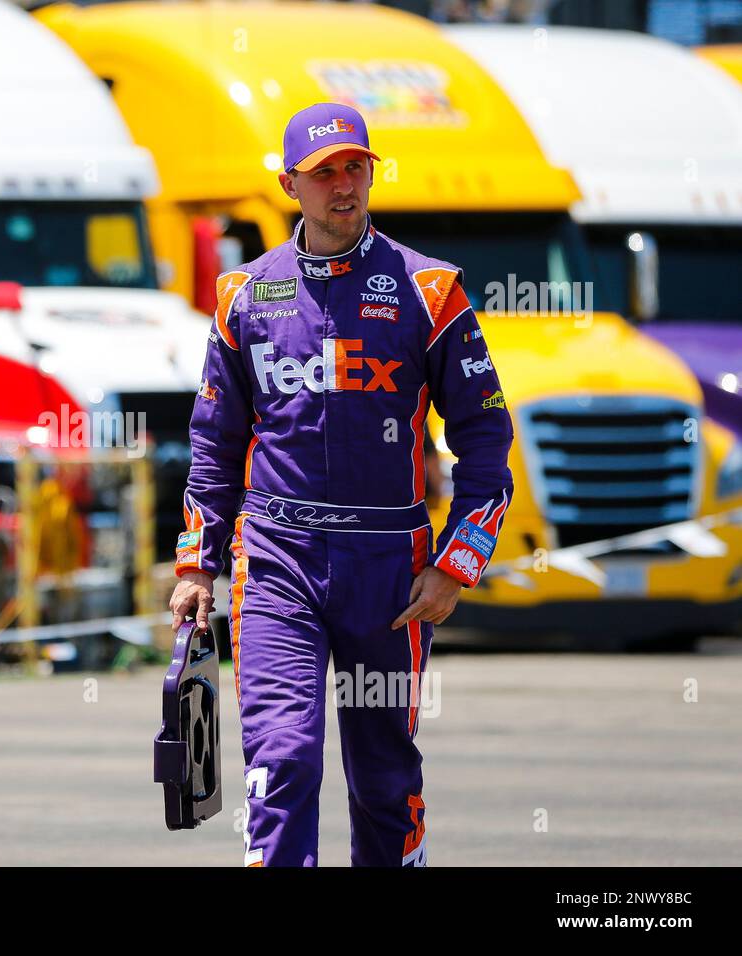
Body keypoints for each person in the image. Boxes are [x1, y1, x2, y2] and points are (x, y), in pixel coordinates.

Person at [169, 103, 514, 866]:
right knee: (283, 760)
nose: (343, 185)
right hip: (279, 561)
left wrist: (457, 564)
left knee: (386, 781)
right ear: (291, 183)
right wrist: (199, 564)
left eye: (355, 167)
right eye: (324, 173)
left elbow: (486, 440)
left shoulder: (432, 289)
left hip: (391, 568)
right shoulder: (243, 296)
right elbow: (214, 443)